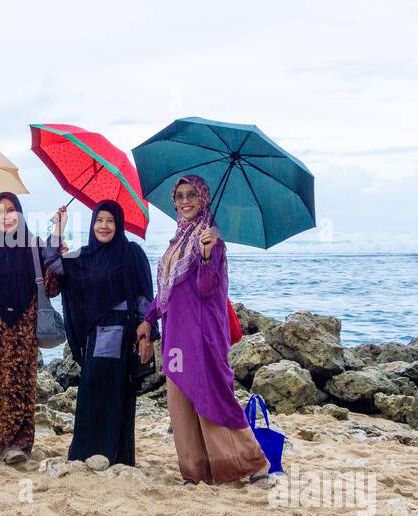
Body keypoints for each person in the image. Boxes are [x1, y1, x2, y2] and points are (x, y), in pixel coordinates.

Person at [144, 174, 269, 484]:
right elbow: (165, 291)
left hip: (202, 335)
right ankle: (195, 471)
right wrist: (146, 318)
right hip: (175, 335)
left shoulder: (212, 240)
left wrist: (206, 255)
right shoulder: (177, 242)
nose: (185, 201)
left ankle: (253, 463)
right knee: (180, 401)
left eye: (192, 195)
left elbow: (205, 288)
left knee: (213, 395)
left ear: (203, 199)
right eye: (180, 196)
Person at [54, 200, 156, 467]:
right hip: (93, 339)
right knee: (91, 391)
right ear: (92, 223)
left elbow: (145, 296)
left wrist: (146, 334)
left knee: (118, 395)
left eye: (110, 220)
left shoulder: (132, 253)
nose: (104, 226)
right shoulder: (84, 256)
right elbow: (55, 272)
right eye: (99, 220)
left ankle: (117, 456)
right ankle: (86, 453)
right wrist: (59, 231)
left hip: (124, 337)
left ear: (118, 224)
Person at [0, 192, 61, 464]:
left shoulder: (34, 245)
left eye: (11, 210)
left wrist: (57, 236)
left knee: (21, 385)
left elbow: (53, 287)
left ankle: (19, 446)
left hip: (24, 324)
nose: (5, 216)